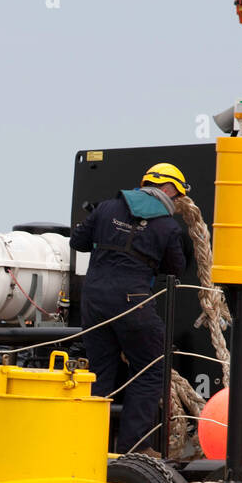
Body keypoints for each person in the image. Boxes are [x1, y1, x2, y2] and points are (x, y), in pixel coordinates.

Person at [69, 162, 189, 455]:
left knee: (100, 372)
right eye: (178, 197)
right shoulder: (167, 226)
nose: (177, 203)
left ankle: (89, 445)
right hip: (133, 301)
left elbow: (78, 240)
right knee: (149, 370)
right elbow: (176, 268)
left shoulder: (107, 208)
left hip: (94, 300)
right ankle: (134, 449)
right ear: (167, 189)